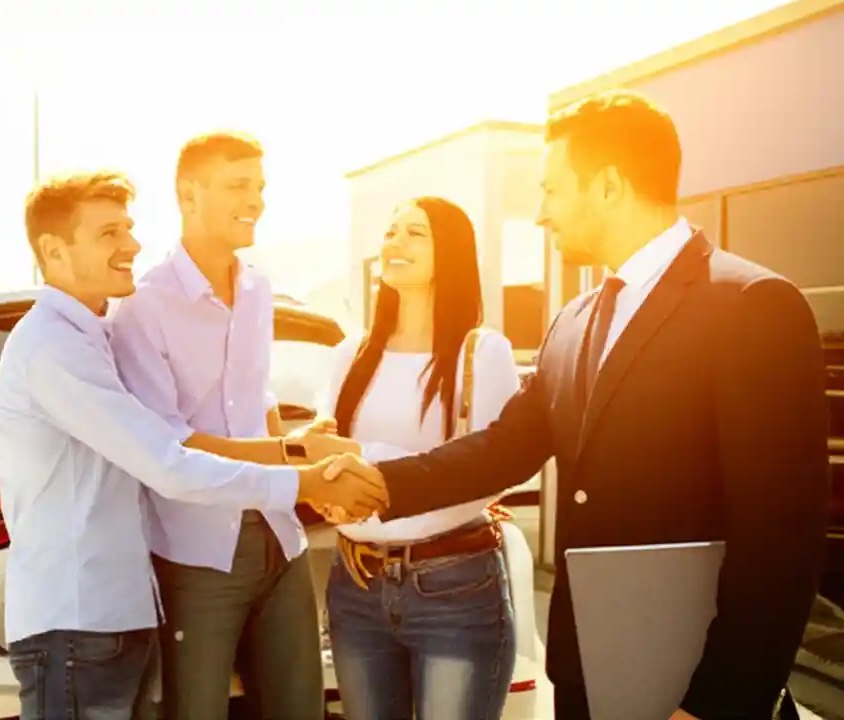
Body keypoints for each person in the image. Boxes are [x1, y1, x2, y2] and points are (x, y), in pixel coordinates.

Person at [324, 90, 830, 719]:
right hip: (590, 672)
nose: (540, 213)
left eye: (553, 190)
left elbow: (782, 535)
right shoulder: (575, 319)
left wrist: (716, 703)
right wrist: (379, 483)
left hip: (694, 686)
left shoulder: (753, 305)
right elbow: (506, 448)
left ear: (610, 185)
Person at [0, 170, 389, 720]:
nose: (131, 244)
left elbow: (231, 397)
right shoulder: (52, 349)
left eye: (129, 228)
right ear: (53, 251)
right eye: (109, 233)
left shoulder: (98, 337)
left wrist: (291, 448)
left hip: (115, 621)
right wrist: (302, 478)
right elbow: (167, 463)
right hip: (75, 631)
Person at [108, 132, 354, 718]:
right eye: (238, 186)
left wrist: (300, 454)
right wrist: (299, 458)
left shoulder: (258, 290)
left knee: (300, 711)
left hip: (280, 538)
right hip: (198, 554)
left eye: (260, 187)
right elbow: (172, 444)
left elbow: (254, 396)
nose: (257, 201)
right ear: (188, 195)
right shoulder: (143, 307)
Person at [315, 196, 519, 719]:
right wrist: (329, 491)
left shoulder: (482, 352)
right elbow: (326, 454)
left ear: (449, 252)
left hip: (455, 586)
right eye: (390, 231)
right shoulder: (350, 355)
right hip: (356, 587)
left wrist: (371, 467)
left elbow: (489, 472)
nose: (395, 242)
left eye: (415, 233)